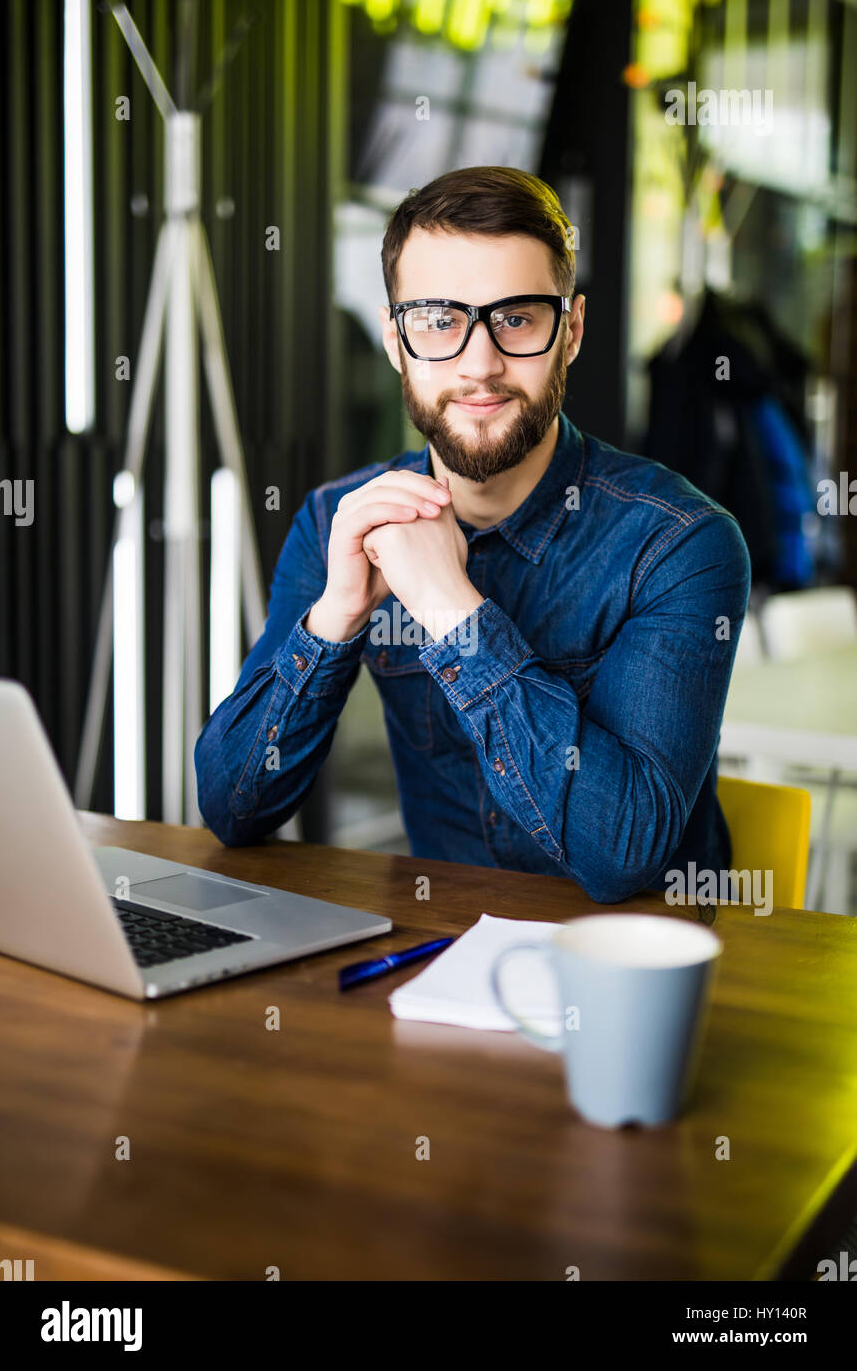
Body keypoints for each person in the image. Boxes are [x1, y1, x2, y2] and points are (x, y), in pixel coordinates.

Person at [195, 166, 750, 903]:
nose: (480, 365)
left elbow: (623, 856)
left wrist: (453, 611)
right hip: (438, 953)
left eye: (517, 318)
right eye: (438, 321)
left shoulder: (680, 545)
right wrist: (334, 619)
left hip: (640, 974)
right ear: (396, 342)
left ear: (572, 332)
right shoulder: (341, 521)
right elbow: (233, 808)